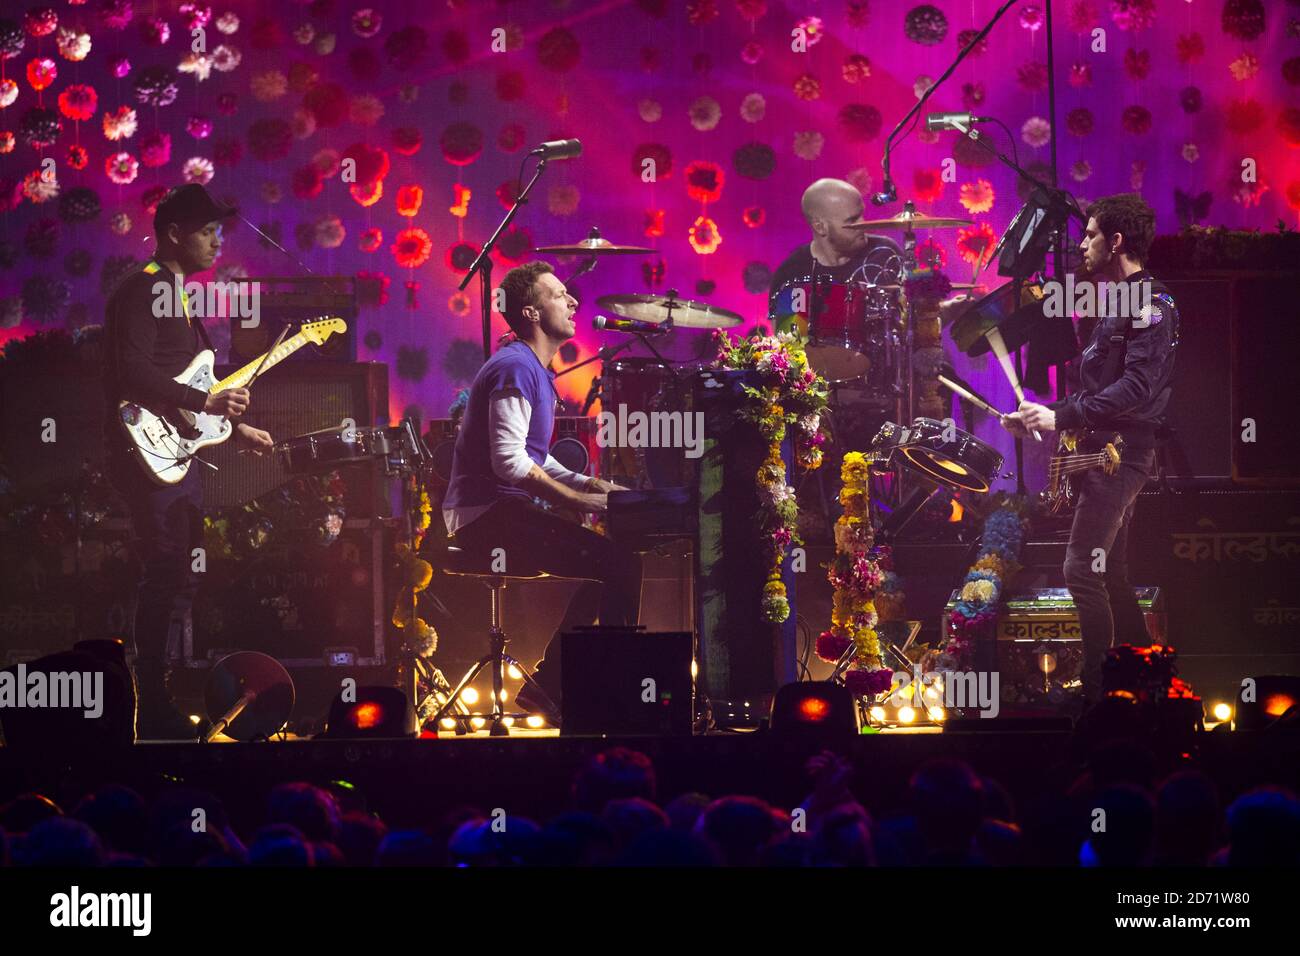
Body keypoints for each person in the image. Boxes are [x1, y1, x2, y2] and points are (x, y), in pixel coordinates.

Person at [103, 184, 274, 739]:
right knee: (163, 573)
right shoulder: (143, 289)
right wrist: (207, 401)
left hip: (176, 454)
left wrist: (231, 426)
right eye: (206, 231)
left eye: (218, 230)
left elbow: (179, 386)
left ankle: (157, 702)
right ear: (174, 233)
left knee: (174, 574)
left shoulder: (178, 298)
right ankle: (149, 708)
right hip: (148, 458)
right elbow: (131, 372)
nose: (216, 240)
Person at [1000, 193, 1178, 710]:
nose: (1082, 244)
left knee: (1081, 568)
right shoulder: (1121, 303)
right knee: (1107, 572)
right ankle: (1146, 683)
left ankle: (1104, 694)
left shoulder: (1149, 304)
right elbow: (1099, 391)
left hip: (1121, 455)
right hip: (1105, 450)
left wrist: (1062, 417)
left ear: (1115, 241)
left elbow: (1138, 389)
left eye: (1091, 234)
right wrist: (1044, 411)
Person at [441, 261, 642, 713]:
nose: (573, 302)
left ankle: (552, 685)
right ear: (531, 313)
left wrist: (596, 485)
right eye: (558, 295)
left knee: (614, 567)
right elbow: (509, 463)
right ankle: (604, 692)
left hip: (498, 513)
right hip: (485, 519)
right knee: (618, 563)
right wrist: (580, 501)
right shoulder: (515, 367)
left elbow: (535, 457)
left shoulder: (530, 367)